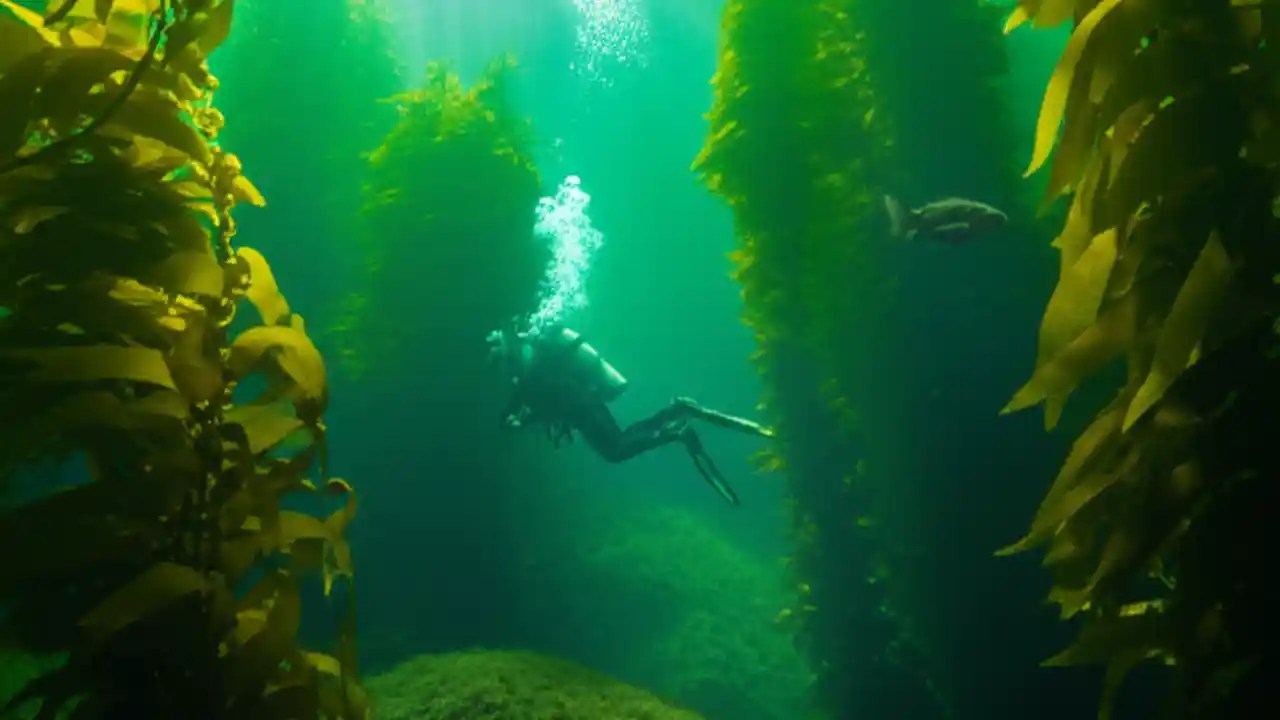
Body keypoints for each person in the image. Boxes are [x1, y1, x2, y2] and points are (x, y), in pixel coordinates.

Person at [486, 323, 773, 505]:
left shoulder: (528, 378)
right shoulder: (531, 372)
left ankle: (677, 429)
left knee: (616, 451)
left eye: (501, 363)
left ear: (509, 357)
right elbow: (532, 406)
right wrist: (519, 419)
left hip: (585, 410)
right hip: (588, 406)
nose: (503, 370)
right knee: (620, 443)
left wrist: (522, 420)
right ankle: (675, 413)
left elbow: (545, 405)